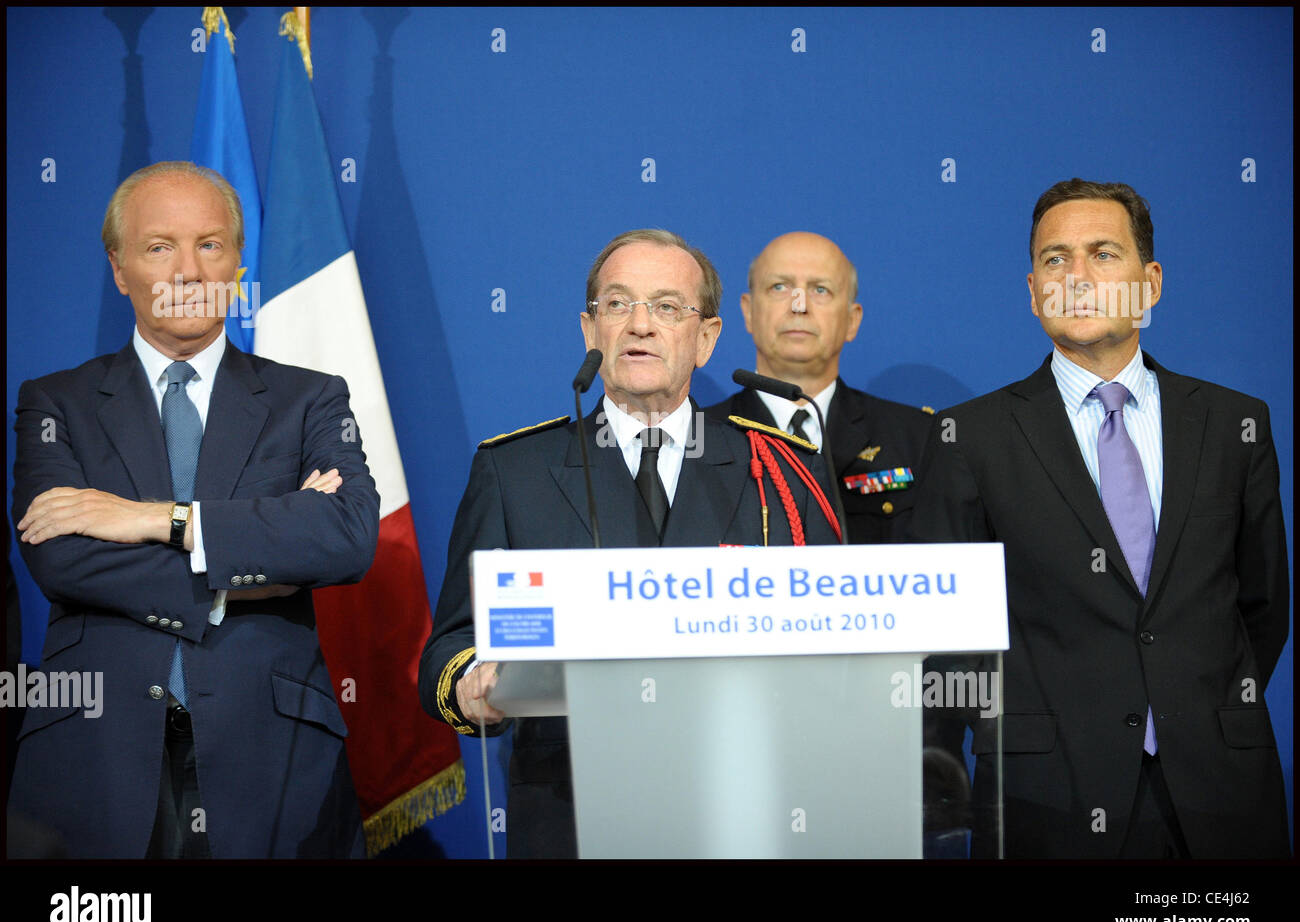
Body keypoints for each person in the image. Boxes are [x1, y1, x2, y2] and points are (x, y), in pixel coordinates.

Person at [418, 228, 839, 858]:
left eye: (667, 307)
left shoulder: (776, 467)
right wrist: (472, 683)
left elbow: (834, 636)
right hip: (572, 814)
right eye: (618, 305)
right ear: (590, 330)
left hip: (742, 810)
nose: (640, 325)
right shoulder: (514, 473)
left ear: (706, 338)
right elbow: (450, 646)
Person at [909, 178, 1289, 858]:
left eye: (1102, 254)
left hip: (1220, 792)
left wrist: (1191, 705)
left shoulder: (1236, 424)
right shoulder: (968, 438)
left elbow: (1261, 606)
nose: (1076, 277)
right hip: (1046, 796)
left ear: (1151, 282)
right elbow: (943, 642)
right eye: (1055, 260)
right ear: (1032, 292)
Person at [8, 161, 379, 858]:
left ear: (238, 261)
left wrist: (156, 519)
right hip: (95, 753)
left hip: (274, 759)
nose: (187, 270)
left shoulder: (310, 399)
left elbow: (346, 536)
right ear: (120, 269)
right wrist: (255, 565)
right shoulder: (55, 402)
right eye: (159, 247)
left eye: (209, 245)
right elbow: (62, 556)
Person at [706, 232, 933, 544]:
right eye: (779, 287)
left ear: (852, 320)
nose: (799, 307)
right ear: (748, 312)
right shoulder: (702, 438)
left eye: (821, 290)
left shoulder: (918, 439)